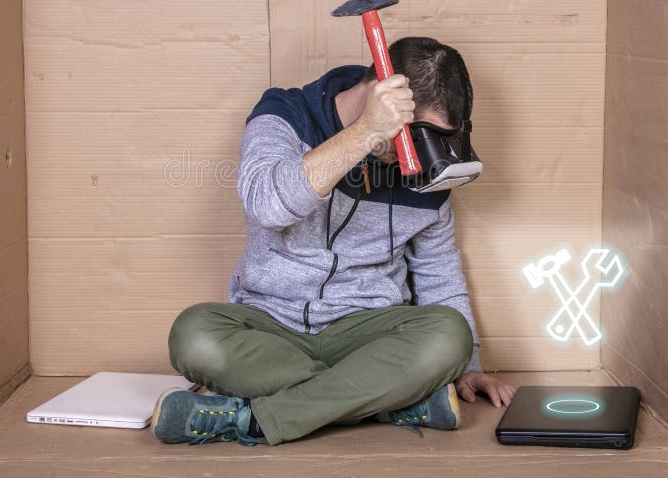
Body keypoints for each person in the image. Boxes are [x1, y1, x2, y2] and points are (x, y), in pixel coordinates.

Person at [152, 36, 514, 447]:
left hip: (369, 336)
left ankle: (252, 419)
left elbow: (438, 273)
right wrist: (365, 132)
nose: (418, 156)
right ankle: (386, 401)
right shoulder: (284, 115)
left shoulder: (423, 170)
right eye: (413, 138)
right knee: (193, 334)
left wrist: (468, 366)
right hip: (271, 330)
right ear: (380, 96)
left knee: (450, 336)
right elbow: (267, 205)